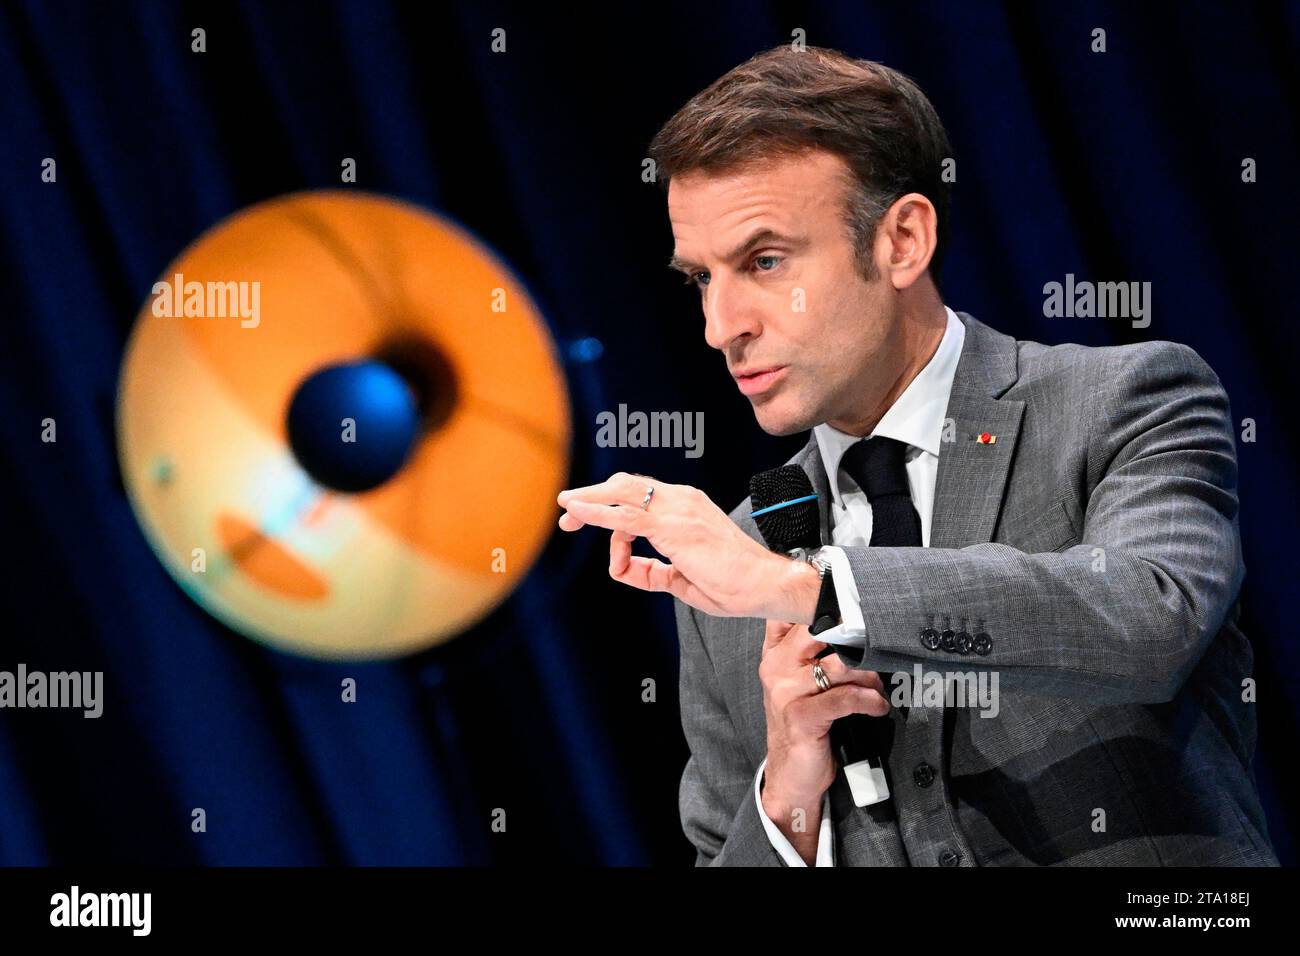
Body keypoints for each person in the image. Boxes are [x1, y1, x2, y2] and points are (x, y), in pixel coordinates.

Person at [556, 44, 1277, 866]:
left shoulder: (1123, 399)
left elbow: (1151, 615)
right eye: (701, 281)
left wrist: (810, 590)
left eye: (764, 261)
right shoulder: (739, 548)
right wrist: (788, 795)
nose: (722, 328)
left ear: (902, 240)